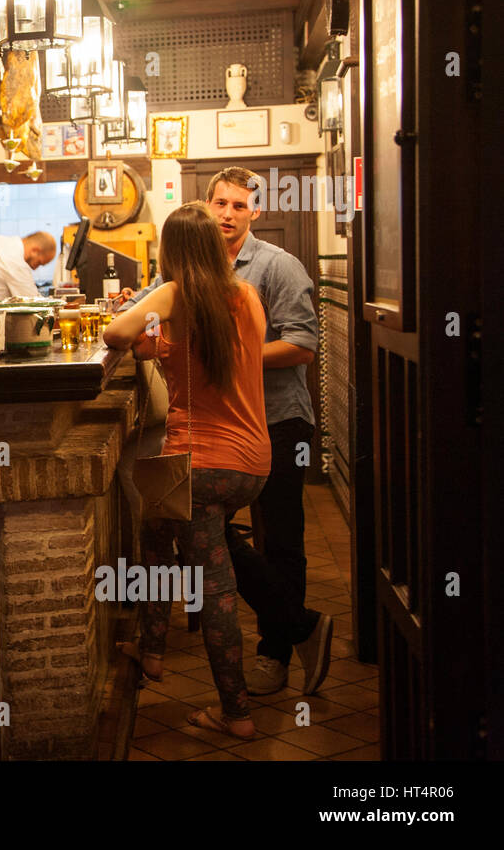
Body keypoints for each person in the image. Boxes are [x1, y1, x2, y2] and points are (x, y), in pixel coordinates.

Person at [116, 166, 329, 696]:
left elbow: (303, 346)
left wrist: (222, 354)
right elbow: (149, 319)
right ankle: (292, 626)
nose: (229, 213)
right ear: (207, 209)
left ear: (255, 211)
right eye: (221, 204)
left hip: (278, 420)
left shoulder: (277, 268)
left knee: (281, 539)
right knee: (198, 539)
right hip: (224, 442)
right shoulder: (188, 277)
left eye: (240, 205)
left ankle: (275, 654)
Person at [104, 202, 271, 739]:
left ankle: (236, 712)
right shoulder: (245, 296)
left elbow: (114, 333)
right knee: (154, 529)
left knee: (216, 588)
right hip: (251, 462)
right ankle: (151, 650)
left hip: (201, 467)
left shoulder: (175, 293)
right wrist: (156, 342)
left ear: (172, 252)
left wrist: (149, 305)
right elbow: (194, 353)